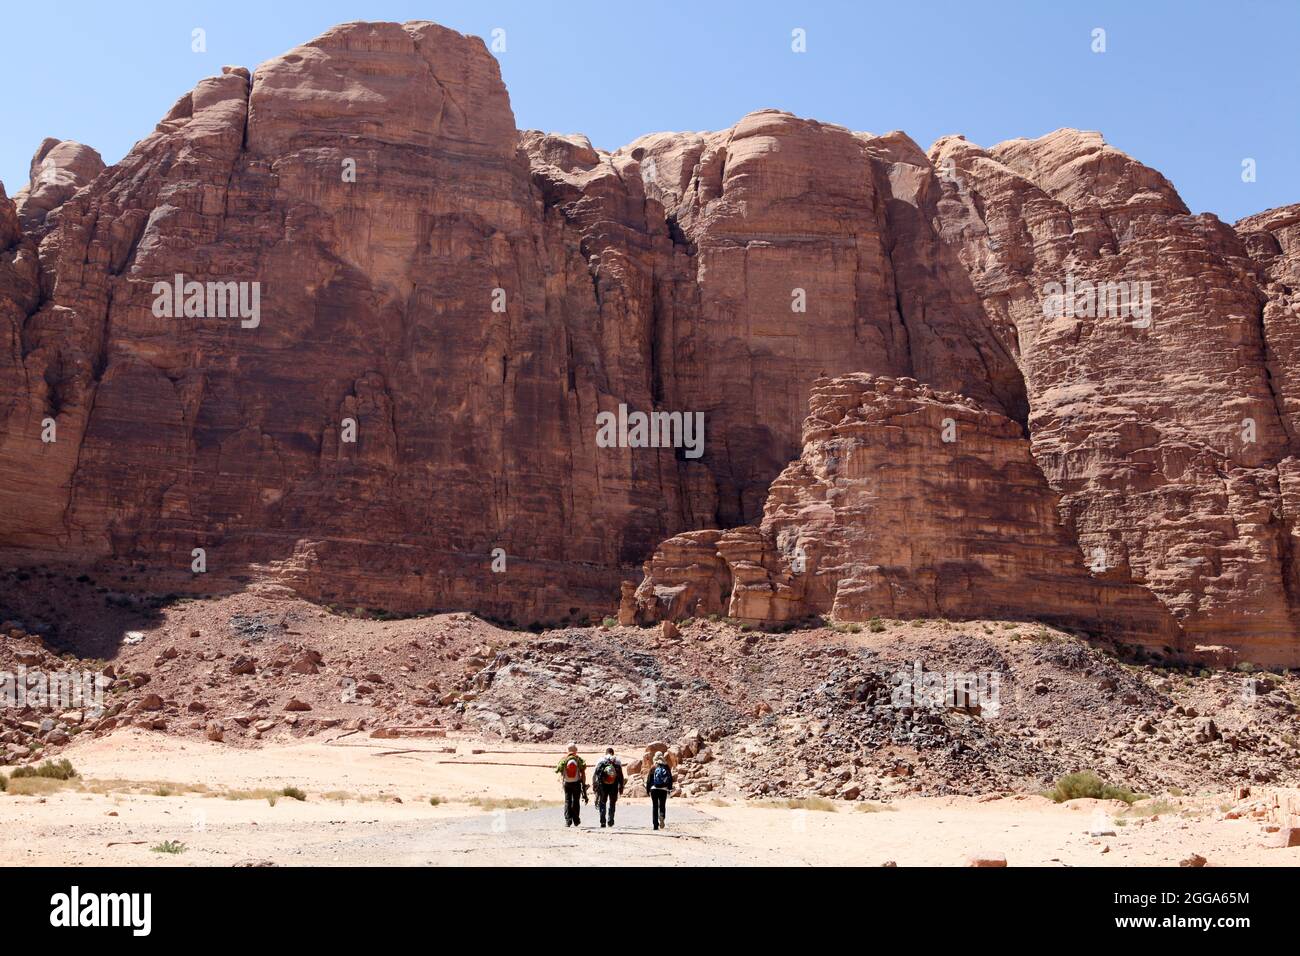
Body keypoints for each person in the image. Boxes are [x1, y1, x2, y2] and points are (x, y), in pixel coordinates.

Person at [556, 743, 588, 827]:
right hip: (576, 783)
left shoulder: (563, 759)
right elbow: (583, 773)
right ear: (575, 751)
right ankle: (576, 820)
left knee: (567, 801)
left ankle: (568, 821)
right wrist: (584, 784)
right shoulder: (579, 760)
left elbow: (560, 772)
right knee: (576, 801)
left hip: (567, 783)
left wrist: (562, 782)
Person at [592, 747, 625, 828]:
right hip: (614, 785)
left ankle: (602, 821)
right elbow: (621, 775)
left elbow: (595, 774)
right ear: (612, 753)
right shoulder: (617, 761)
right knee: (612, 802)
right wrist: (621, 787)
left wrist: (594, 785)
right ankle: (610, 821)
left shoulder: (600, 760)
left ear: (606, 753)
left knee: (602, 802)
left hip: (602, 785)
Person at [645, 751, 673, 831]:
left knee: (655, 806)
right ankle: (662, 816)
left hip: (654, 789)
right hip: (663, 789)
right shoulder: (666, 767)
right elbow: (670, 778)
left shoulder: (653, 767)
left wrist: (648, 790)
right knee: (662, 805)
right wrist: (669, 788)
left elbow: (649, 780)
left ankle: (655, 825)